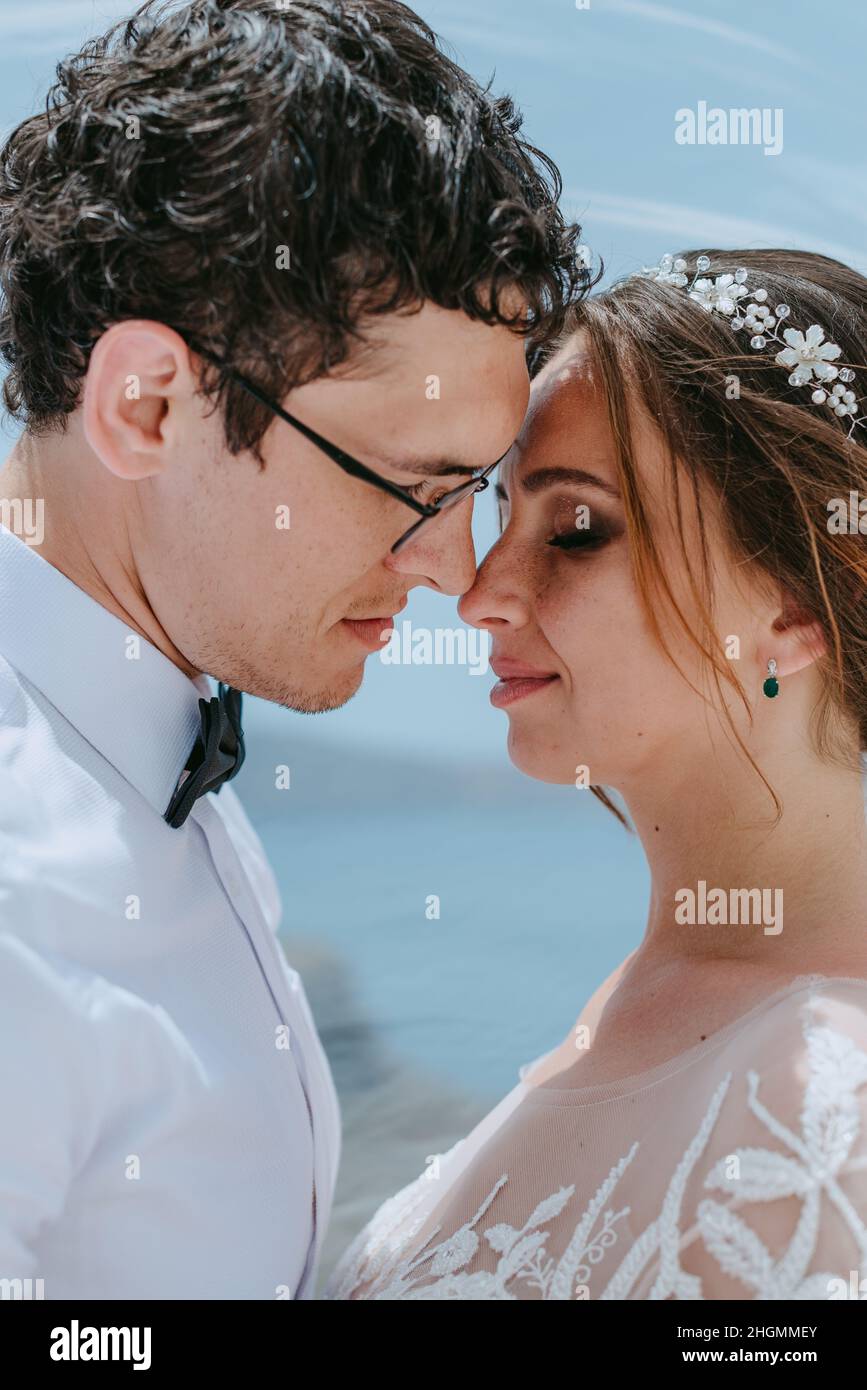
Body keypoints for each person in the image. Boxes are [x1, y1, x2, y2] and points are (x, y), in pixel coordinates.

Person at [0, 0, 585, 1299]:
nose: (458, 566)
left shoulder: (155, 753)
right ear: (147, 404)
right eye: (408, 483)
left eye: (477, 491)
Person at [325, 247, 867, 1301]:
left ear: (798, 609)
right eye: (504, 510)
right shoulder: (642, 996)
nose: (481, 590)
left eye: (575, 530)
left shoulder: (824, 1116)